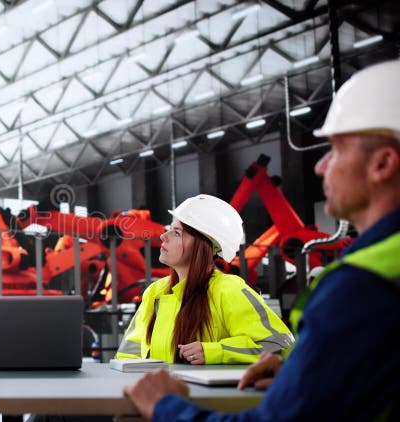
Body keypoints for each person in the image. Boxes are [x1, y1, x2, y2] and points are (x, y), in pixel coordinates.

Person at [123, 60, 400, 421]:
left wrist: (166, 406)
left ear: (383, 163)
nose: (320, 166)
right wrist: (300, 377)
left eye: (335, 150)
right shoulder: (155, 294)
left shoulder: (363, 286)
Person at [116, 194, 294, 364]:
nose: (164, 236)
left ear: (202, 246)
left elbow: (280, 345)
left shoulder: (229, 290)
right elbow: (128, 354)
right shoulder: (155, 292)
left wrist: (216, 352)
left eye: (176, 232)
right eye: (170, 229)